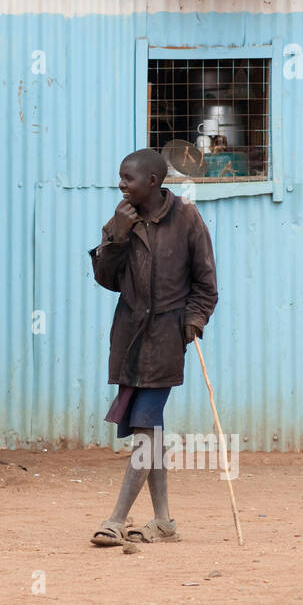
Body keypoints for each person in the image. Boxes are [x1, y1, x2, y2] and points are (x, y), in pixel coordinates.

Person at [87, 148, 217, 546]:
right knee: (152, 430)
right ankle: (163, 522)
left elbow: (206, 283)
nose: (121, 184)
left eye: (128, 178)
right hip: (129, 336)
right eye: (120, 178)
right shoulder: (121, 218)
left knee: (145, 428)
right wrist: (117, 238)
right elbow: (106, 279)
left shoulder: (187, 218)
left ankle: (115, 519)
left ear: (153, 183)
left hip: (167, 337)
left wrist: (193, 321)